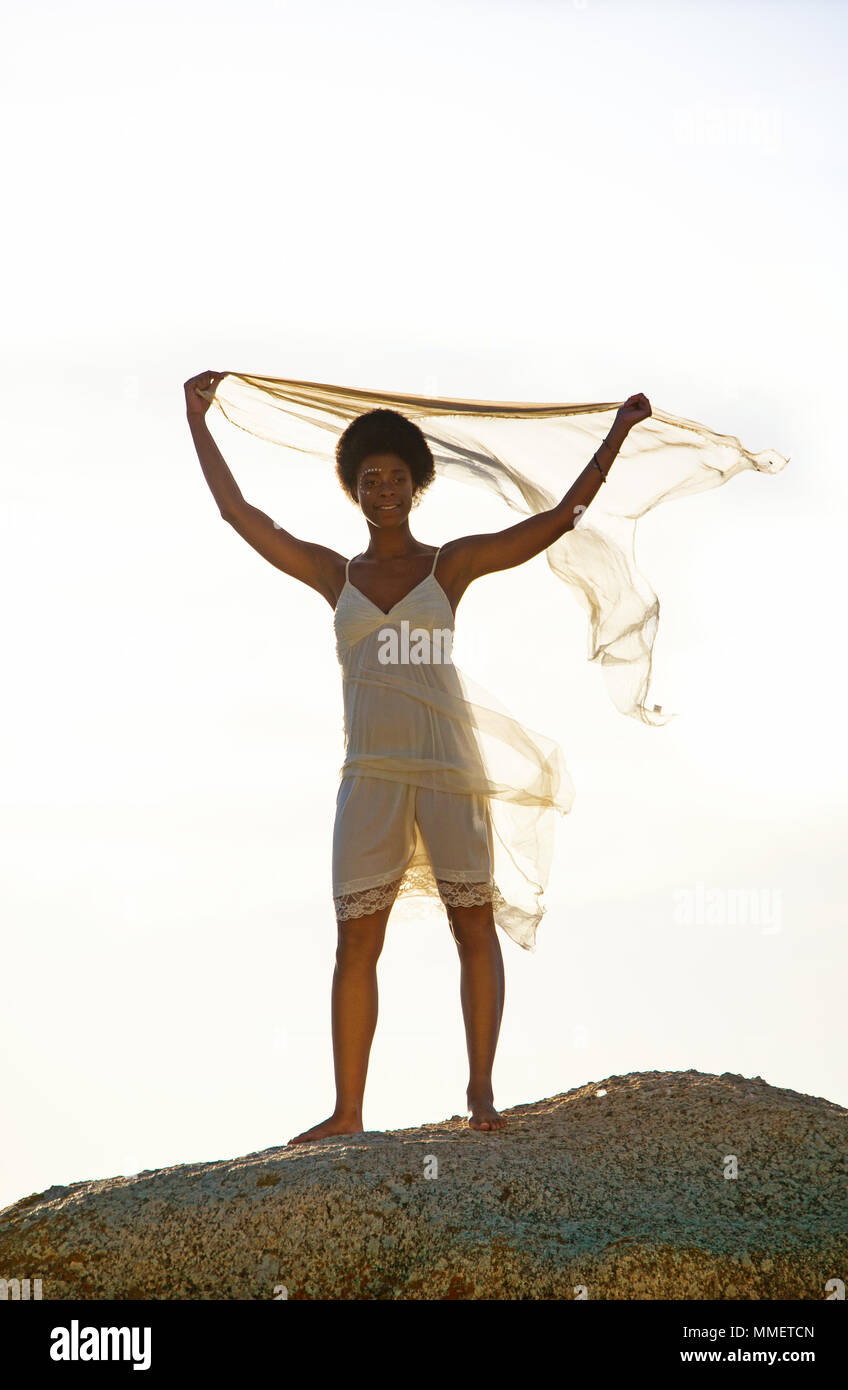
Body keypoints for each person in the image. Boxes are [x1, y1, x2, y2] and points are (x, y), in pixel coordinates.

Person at [185, 369, 652, 1137]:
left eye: (397, 477)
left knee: (470, 926)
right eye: (370, 479)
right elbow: (239, 514)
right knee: (354, 943)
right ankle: (347, 1112)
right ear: (355, 491)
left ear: (416, 485)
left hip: (446, 770)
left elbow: (559, 520)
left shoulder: (451, 566)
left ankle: (480, 1094)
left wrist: (617, 433)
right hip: (368, 776)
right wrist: (197, 418)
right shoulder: (335, 575)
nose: (384, 489)